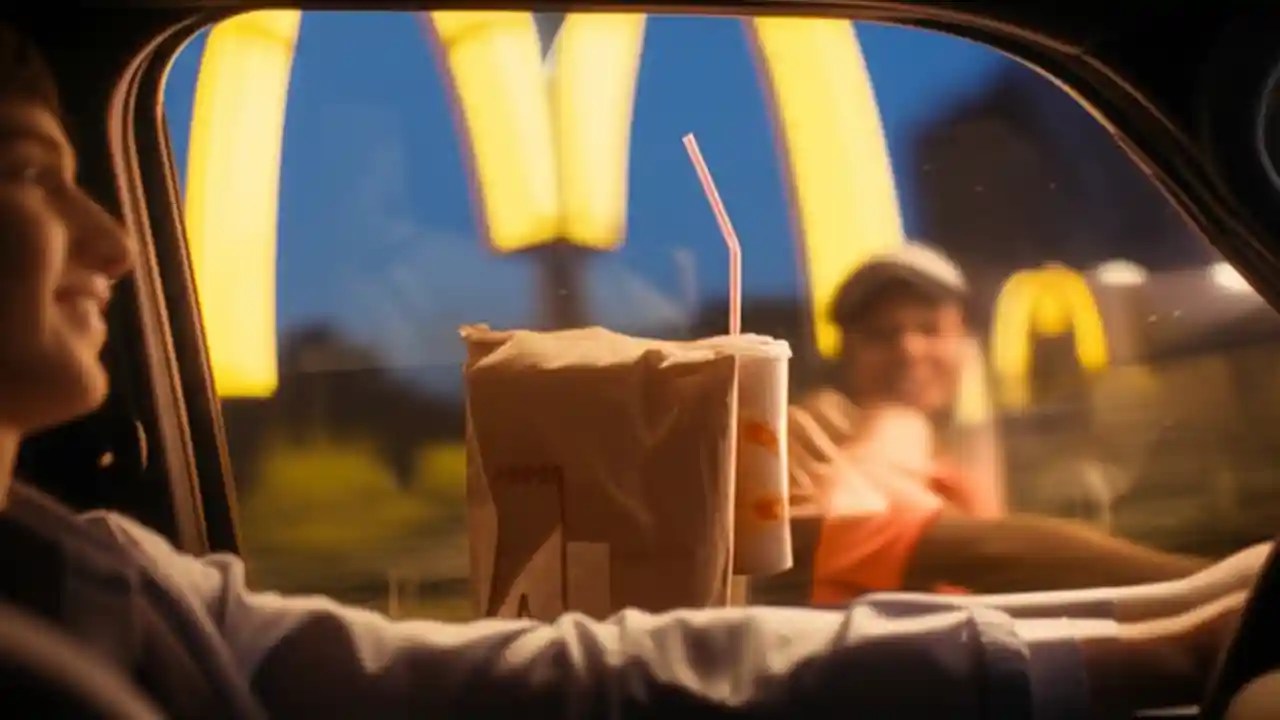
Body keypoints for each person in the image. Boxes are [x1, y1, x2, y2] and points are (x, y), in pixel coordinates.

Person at [0, 22, 1263, 718]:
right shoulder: (55, 649)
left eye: (933, 328)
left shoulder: (108, 577)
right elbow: (829, 580)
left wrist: (1191, 611)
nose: (114, 242)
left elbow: (547, 676)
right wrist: (1186, 617)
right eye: (26, 171)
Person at [788, 244, 1208, 603]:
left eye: (929, 329)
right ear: (844, 354)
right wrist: (1216, 585)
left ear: (965, 343)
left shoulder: (961, 460)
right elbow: (991, 553)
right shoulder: (845, 432)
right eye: (881, 335)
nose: (909, 350)